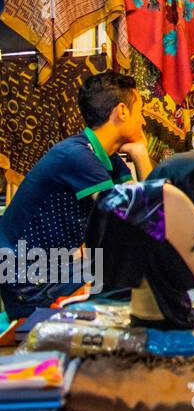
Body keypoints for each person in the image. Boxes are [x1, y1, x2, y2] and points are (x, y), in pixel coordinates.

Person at [0, 72, 153, 318]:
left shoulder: (106, 158)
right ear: (122, 111)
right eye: (141, 112)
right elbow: (143, 224)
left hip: (53, 271)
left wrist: (140, 154)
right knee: (137, 267)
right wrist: (143, 155)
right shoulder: (77, 156)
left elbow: (149, 211)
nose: (143, 121)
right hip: (27, 285)